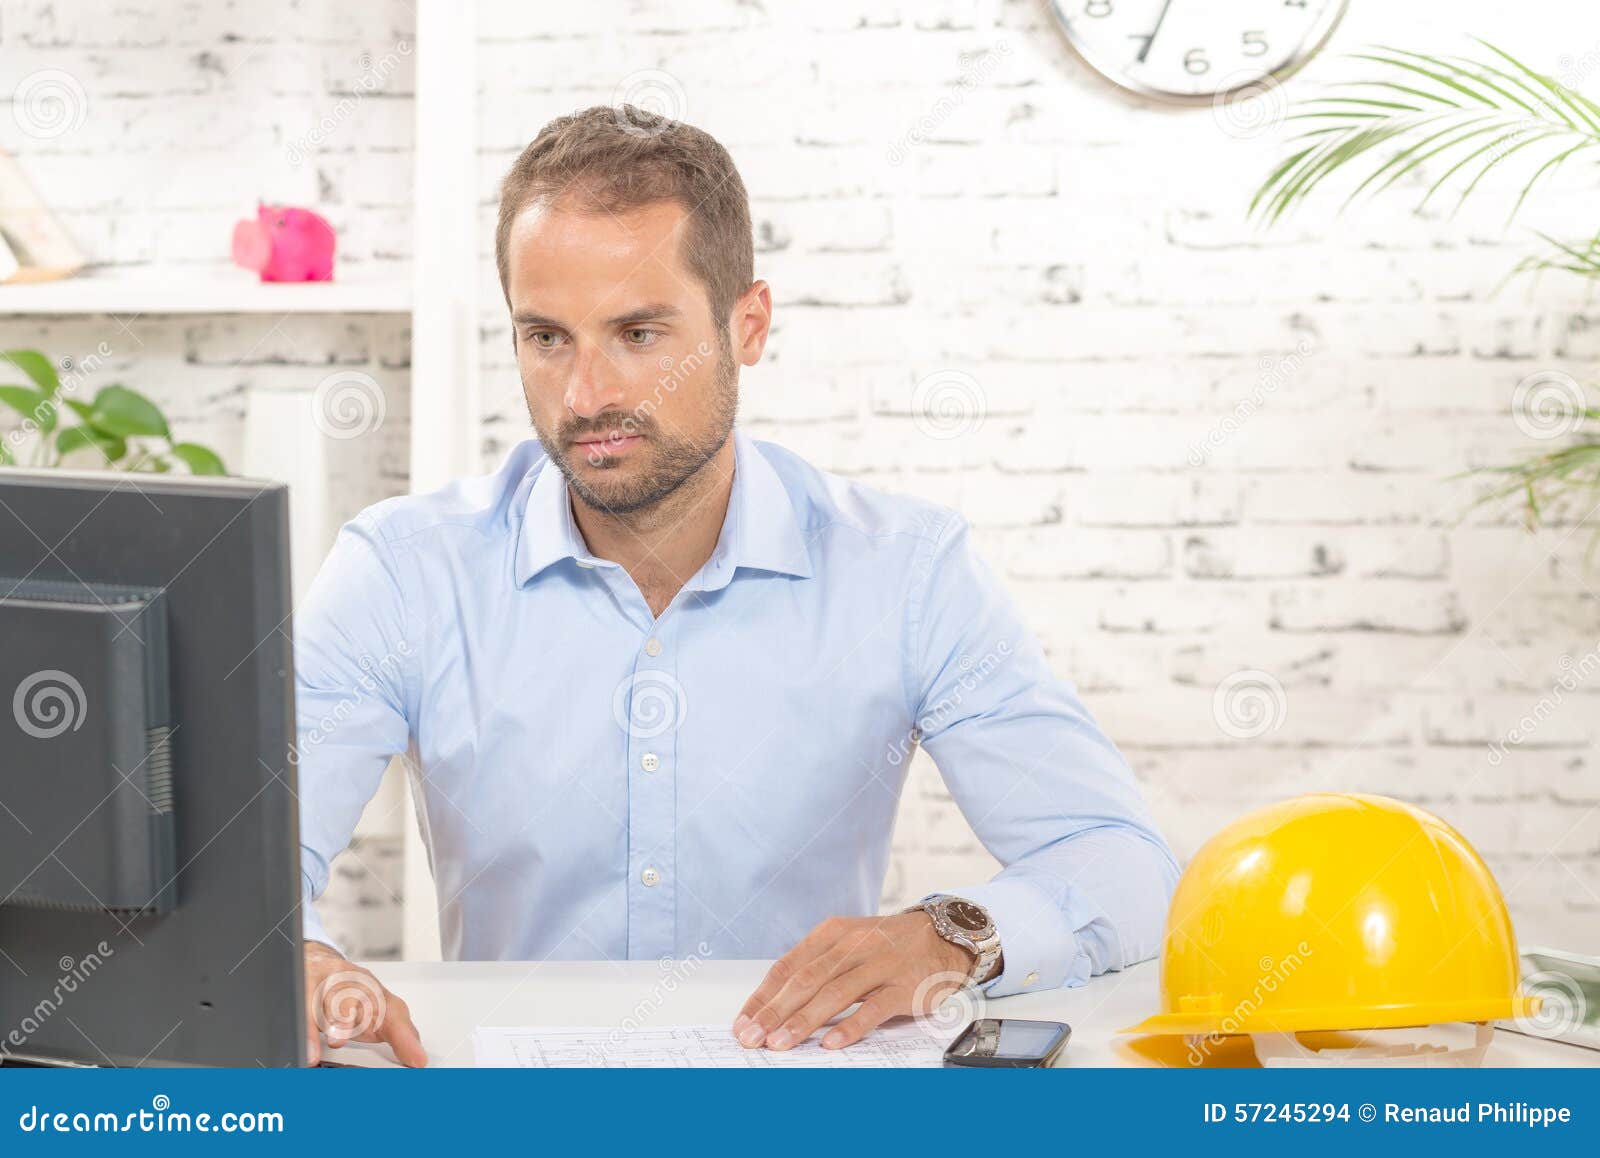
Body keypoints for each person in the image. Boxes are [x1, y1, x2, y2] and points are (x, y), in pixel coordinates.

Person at [296, 105, 1178, 1066]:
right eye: (546, 338)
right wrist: (291, 956)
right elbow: (235, 871)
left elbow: (1125, 865)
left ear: (747, 325)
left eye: (638, 333)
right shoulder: (403, 573)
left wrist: (948, 935)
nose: (586, 396)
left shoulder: (906, 571)